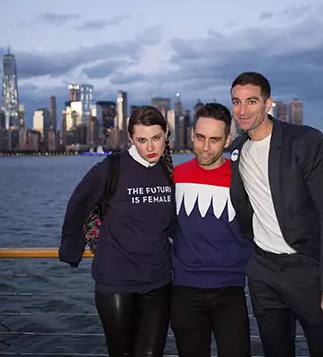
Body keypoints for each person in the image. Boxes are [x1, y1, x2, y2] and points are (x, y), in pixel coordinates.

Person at [228, 72, 323, 357]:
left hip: (308, 272)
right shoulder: (238, 150)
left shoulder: (305, 141)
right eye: (236, 102)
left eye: (251, 101)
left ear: (268, 103)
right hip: (263, 273)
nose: (242, 110)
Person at [58, 105, 176, 357]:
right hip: (116, 283)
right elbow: (78, 204)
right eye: (142, 140)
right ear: (131, 139)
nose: (151, 147)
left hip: (159, 281)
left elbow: (174, 222)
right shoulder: (111, 167)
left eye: (156, 138)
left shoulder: (168, 170)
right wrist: (71, 250)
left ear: (166, 132)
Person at [170, 103, 253, 357]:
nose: (205, 147)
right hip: (185, 291)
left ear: (227, 140)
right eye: (200, 137)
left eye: (214, 139)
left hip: (230, 290)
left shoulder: (244, 178)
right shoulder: (175, 176)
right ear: (192, 133)